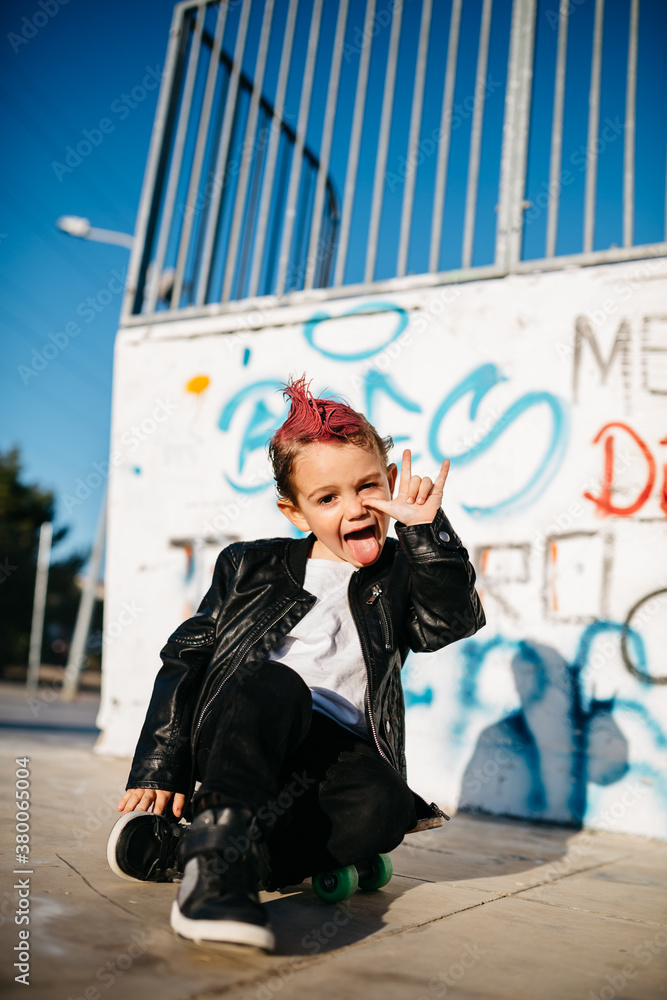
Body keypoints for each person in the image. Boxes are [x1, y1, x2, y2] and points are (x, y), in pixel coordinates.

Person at [106, 375, 485, 951]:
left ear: (389, 482)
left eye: (368, 487)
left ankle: (192, 852)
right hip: (247, 720)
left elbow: (449, 623)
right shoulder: (247, 565)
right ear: (296, 512)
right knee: (279, 684)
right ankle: (214, 885)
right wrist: (160, 765)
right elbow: (187, 656)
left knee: (387, 805)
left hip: (335, 751)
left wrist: (426, 533)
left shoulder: (401, 571)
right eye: (327, 498)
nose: (354, 508)